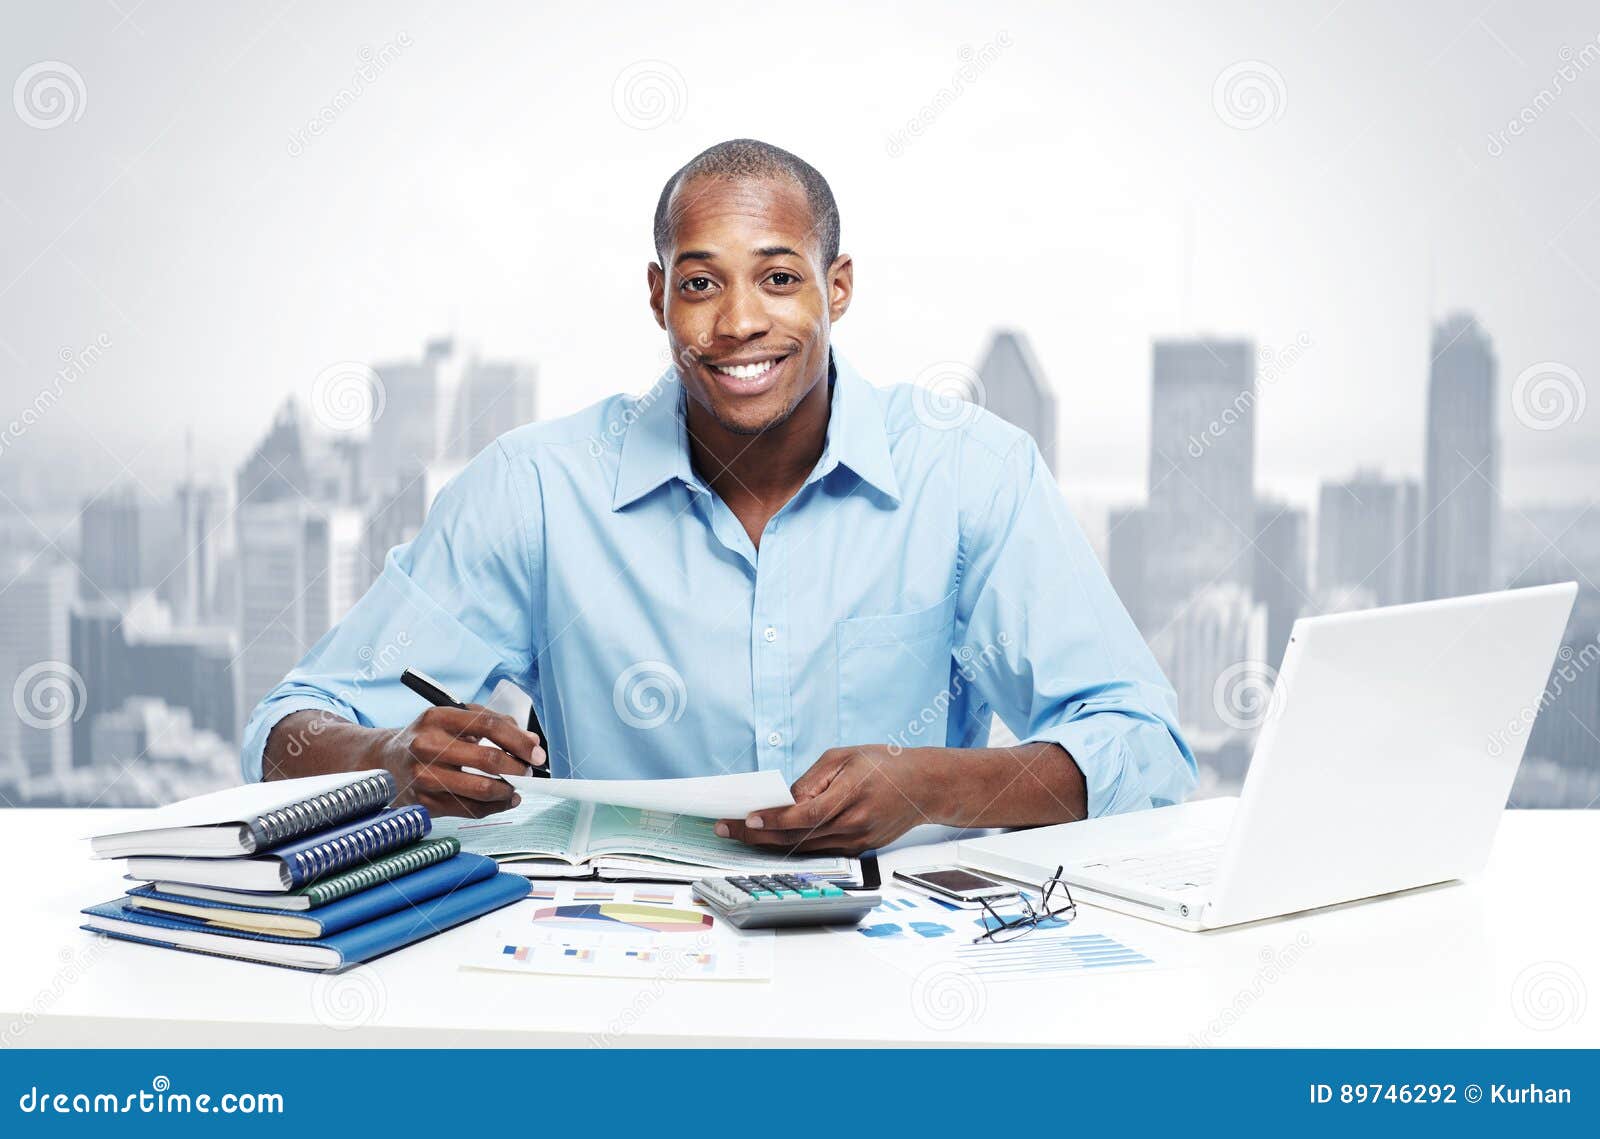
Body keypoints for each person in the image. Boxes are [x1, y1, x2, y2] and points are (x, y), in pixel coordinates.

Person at [245, 138, 1195, 855]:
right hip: (625, 961)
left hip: (903, 971)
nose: (740, 322)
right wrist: (389, 755)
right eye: (702, 283)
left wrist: (932, 783)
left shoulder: (973, 473)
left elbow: (1143, 750)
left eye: (779, 278)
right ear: (659, 297)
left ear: (839, 287)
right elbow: (289, 729)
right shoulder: (533, 489)